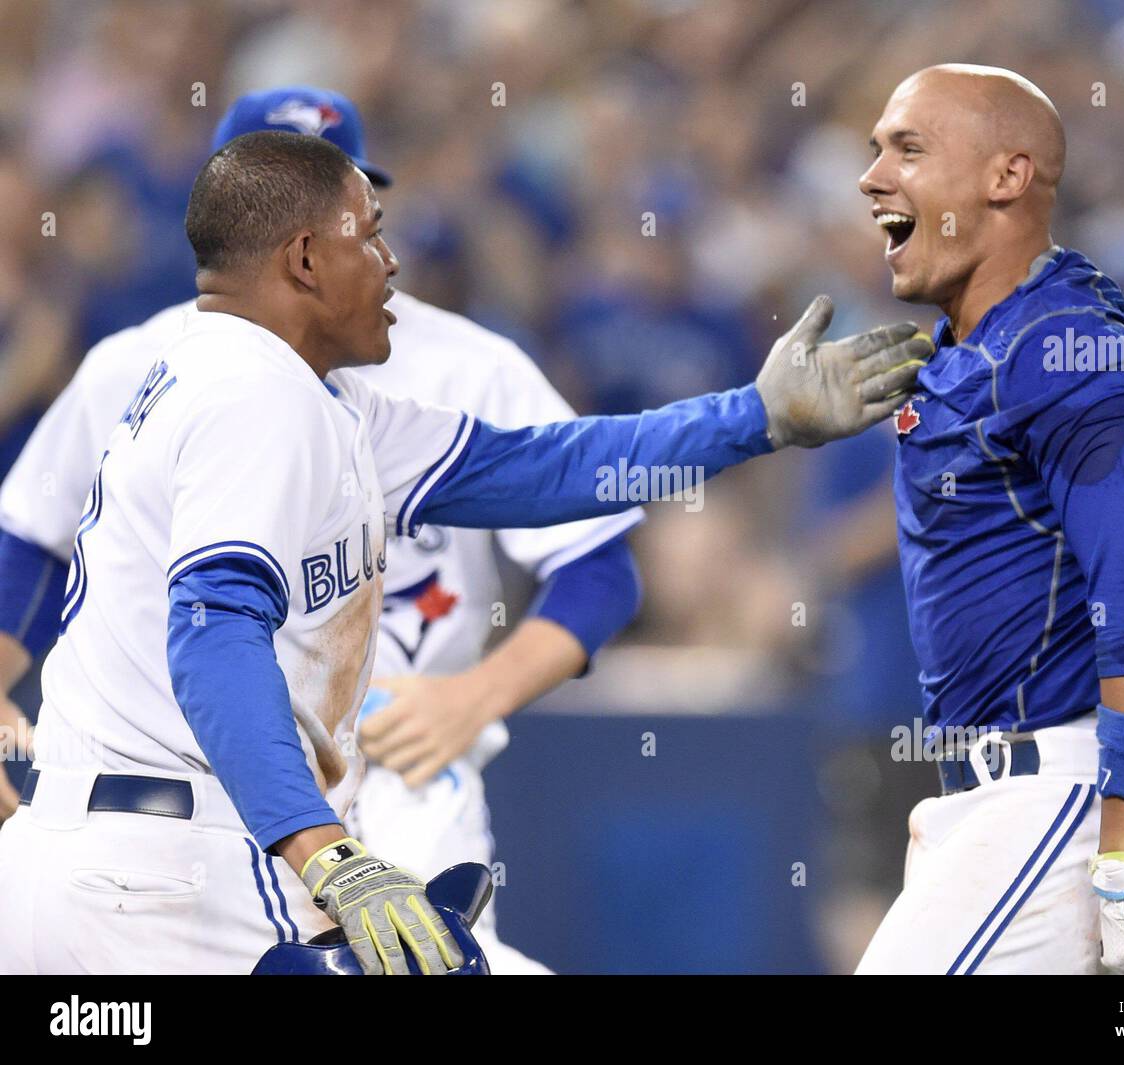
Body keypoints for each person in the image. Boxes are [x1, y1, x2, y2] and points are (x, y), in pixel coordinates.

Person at [0, 129, 929, 975]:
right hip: (168, 878)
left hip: (113, 859)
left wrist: (754, 417)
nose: (393, 261)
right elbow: (211, 637)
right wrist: (324, 850)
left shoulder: (290, 388)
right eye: (369, 233)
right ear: (306, 259)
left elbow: (542, 468)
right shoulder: (253, 393)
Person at [0, 86, 648, 975]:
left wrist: (479, 693)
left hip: (404, 764)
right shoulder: (146, 360)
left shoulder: (468, 361)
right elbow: (33, 542)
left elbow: (599, 563)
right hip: (215, 795)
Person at [854, 64, 1124, 975]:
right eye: (876, 149)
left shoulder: (1063, 343)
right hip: (1006, 804)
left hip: (1068, 803)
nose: (872, 175)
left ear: (1007, 178)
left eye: (910, 147)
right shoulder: (986, 341)